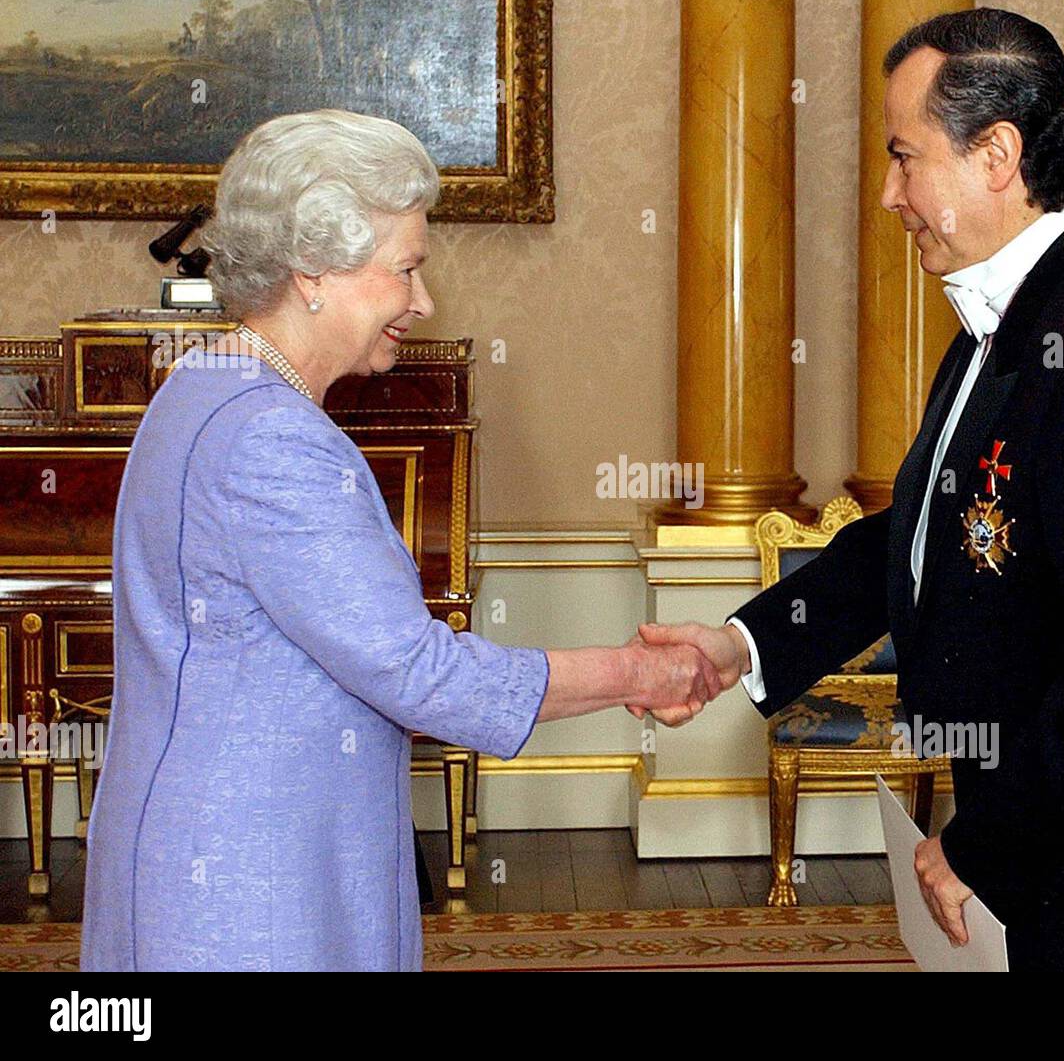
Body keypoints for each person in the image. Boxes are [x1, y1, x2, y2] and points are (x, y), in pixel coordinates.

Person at [639, 8, 1064, 972]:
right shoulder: (1004, 316)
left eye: (903, 157)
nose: (889, 194)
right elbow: (924, 533)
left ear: (997, 155)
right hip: (1042, 842)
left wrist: (982, 846)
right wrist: (737, 645)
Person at [80, 109, 720, 972]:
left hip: (192, 857)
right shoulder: (276, 438)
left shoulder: (202, 382)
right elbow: (422, 674)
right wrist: (640, 670)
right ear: (313, 269)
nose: (423, 302)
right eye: (406, 269)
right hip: (253, 889)